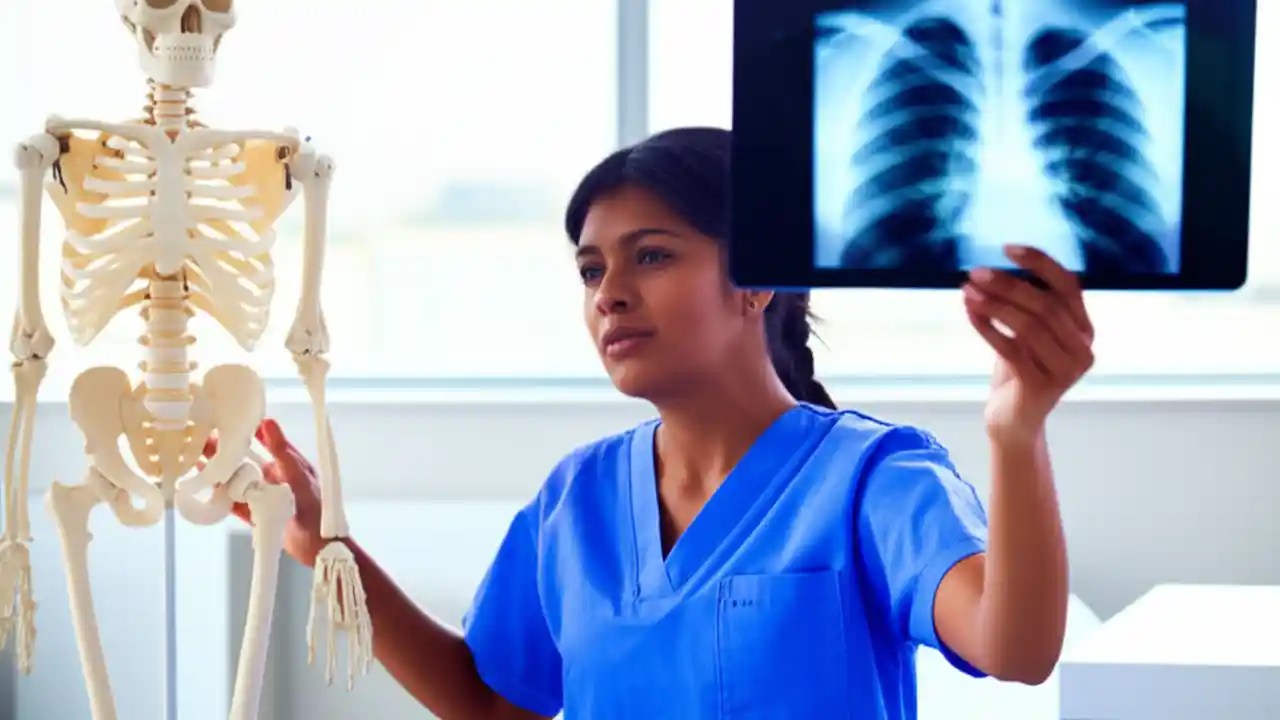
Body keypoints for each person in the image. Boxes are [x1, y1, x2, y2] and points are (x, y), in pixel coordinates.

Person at [215, 127, 1094, 719]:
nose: (611, 295)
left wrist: (1017, 433)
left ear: (757, 282)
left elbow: (1015, 648)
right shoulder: (579, 498)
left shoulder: (874, 481)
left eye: (654, 256)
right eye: (592, 270)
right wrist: (325, 542)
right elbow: (494, 702)